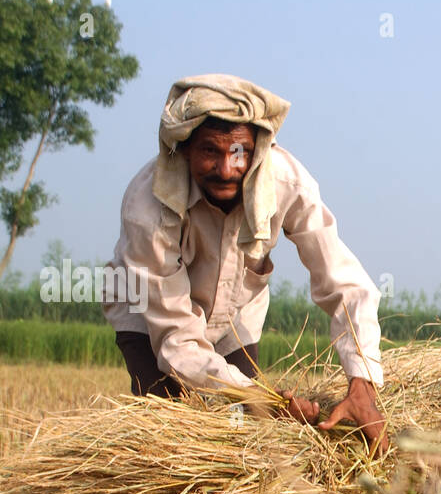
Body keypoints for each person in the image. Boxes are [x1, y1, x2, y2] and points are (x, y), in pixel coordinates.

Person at [102, 73, 388, 453]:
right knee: (169, 431)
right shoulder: (148, 208)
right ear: (185, 149)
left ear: (257, 151)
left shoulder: (288, 184)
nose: (226, 169)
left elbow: (344, 282)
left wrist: (362, 383)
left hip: (236, 311)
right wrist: (259, 397)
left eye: (238, 152)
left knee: (244, 435)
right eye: (209, 152)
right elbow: (177, 340)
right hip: (150, 314)